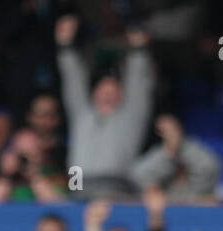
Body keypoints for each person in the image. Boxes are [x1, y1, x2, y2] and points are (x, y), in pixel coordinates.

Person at [55, 15, 155, 195]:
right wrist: (65, 46)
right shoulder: (82, 114)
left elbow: (139, 85)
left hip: (116, 187)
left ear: (122, 96)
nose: (107, 96)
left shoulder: (130, 117)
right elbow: (73, 80)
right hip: (77, 184)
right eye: (102, 91)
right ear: (93, 94)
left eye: (113, 92)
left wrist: (139, 50)